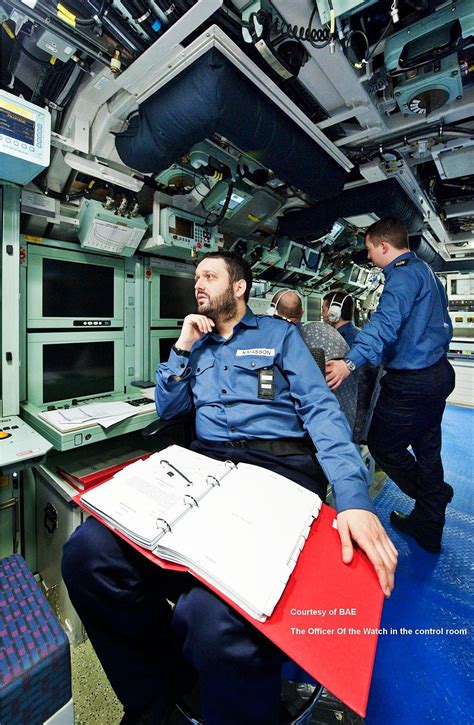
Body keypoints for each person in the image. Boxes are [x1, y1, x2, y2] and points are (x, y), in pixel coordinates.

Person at [62, 251, 397, 725]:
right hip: (207, 470)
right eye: (196, 276)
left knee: (210, 621)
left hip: (277, 469)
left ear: (238, 287)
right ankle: (160, 698)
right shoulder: (196, 345)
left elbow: (322, 411)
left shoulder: (280, 336)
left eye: (209, 276)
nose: (198, 283)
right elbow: (166, 407)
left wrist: (353, 499)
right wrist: (180, 348)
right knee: (85, 555)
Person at [326, 218, 455, 554]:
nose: (369, 256)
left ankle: (433, 495)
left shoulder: (400, 276)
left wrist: (348, 361)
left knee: (384, 446)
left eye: (369, 249)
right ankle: (428, 524)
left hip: (412, 382)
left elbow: (384, 323)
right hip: (438, 373)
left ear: (384, 246)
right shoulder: (425, 271)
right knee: (427, 448)